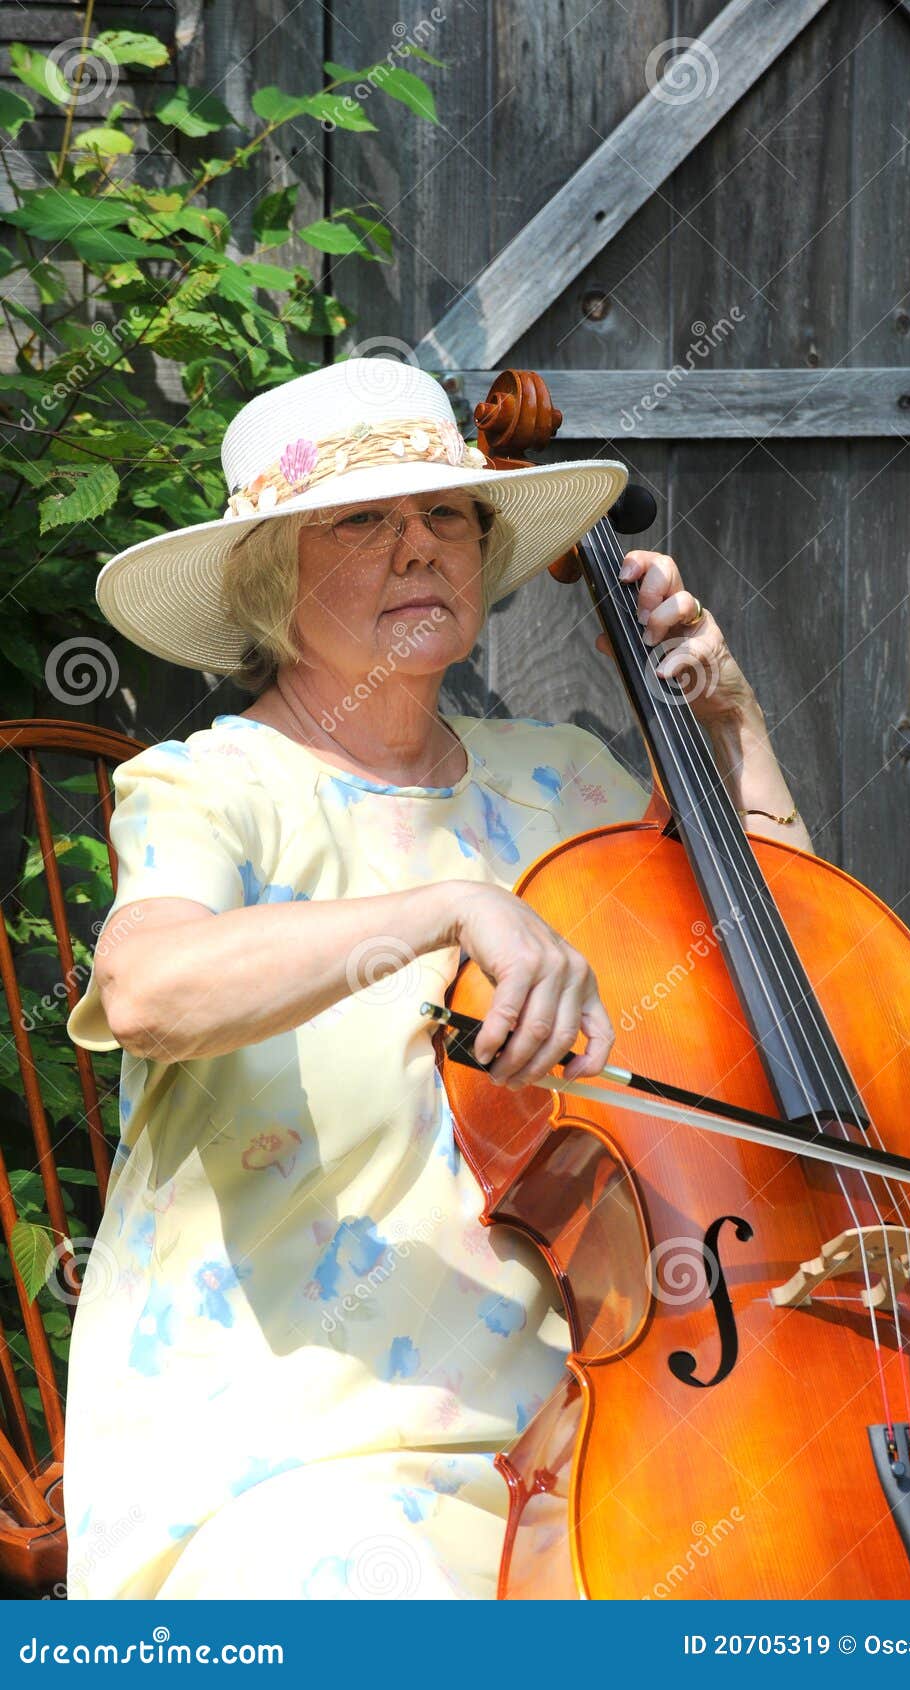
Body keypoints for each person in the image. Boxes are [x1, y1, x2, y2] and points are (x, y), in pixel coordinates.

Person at [62, 358, 810, 1600]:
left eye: (446, 514)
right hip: (292, 1450)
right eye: (363, 520)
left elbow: (789, 977)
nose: (419, 547)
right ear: (271, 578)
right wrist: (447, 908)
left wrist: (735, 725)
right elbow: (145, 989)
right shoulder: (213, 788)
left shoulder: (562, 780)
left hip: (583, 1424)